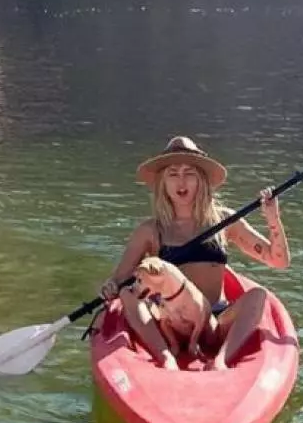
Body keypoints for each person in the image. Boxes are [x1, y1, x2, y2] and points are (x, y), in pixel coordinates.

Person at [101, 135, 290, 371]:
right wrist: (110, 287)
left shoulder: (225, 221)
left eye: (189, 173)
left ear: (201, 179)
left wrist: (273, 219)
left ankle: (221, 360)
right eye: (173, 174)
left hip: (214, 320)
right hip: (168, 321)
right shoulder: (150, 230)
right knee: (128, 295)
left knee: (258, 295)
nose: (181, 181)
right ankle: (165, 357)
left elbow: (278, 260)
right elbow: (119, 281)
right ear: (163, 183)